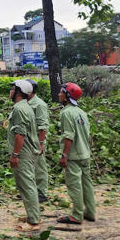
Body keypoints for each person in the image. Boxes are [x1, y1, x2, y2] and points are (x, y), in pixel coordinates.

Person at [57, 82, 96, 227]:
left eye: (61, 92)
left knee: (74, 185)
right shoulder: (82, 112)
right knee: (87, 184)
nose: (59, 94)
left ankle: (76, 215)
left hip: (73, 155)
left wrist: (64, 155)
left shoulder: (66, 113)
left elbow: (69, 136)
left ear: (67, 97)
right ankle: (90, 212)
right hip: (85, 153)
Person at [7, 79, 41, 231]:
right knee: (27, 185)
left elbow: (20, 135)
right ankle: (32, 215)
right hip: (28, 152)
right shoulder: (24, 107)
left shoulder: (20, 110)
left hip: (24, 153)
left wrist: (15, 154)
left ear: (19, 92)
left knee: (27, 186)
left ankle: (33, 222)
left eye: (12, 89)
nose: (10, 92)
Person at [26, 79, 50, 203]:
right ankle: (30, 191)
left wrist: (40, 143)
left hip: (35, 140)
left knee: (39, 167)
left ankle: (42, 193)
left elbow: (43, 126)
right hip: (26, 140)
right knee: (28, 168)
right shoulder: (26, 103)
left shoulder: (39, 105)